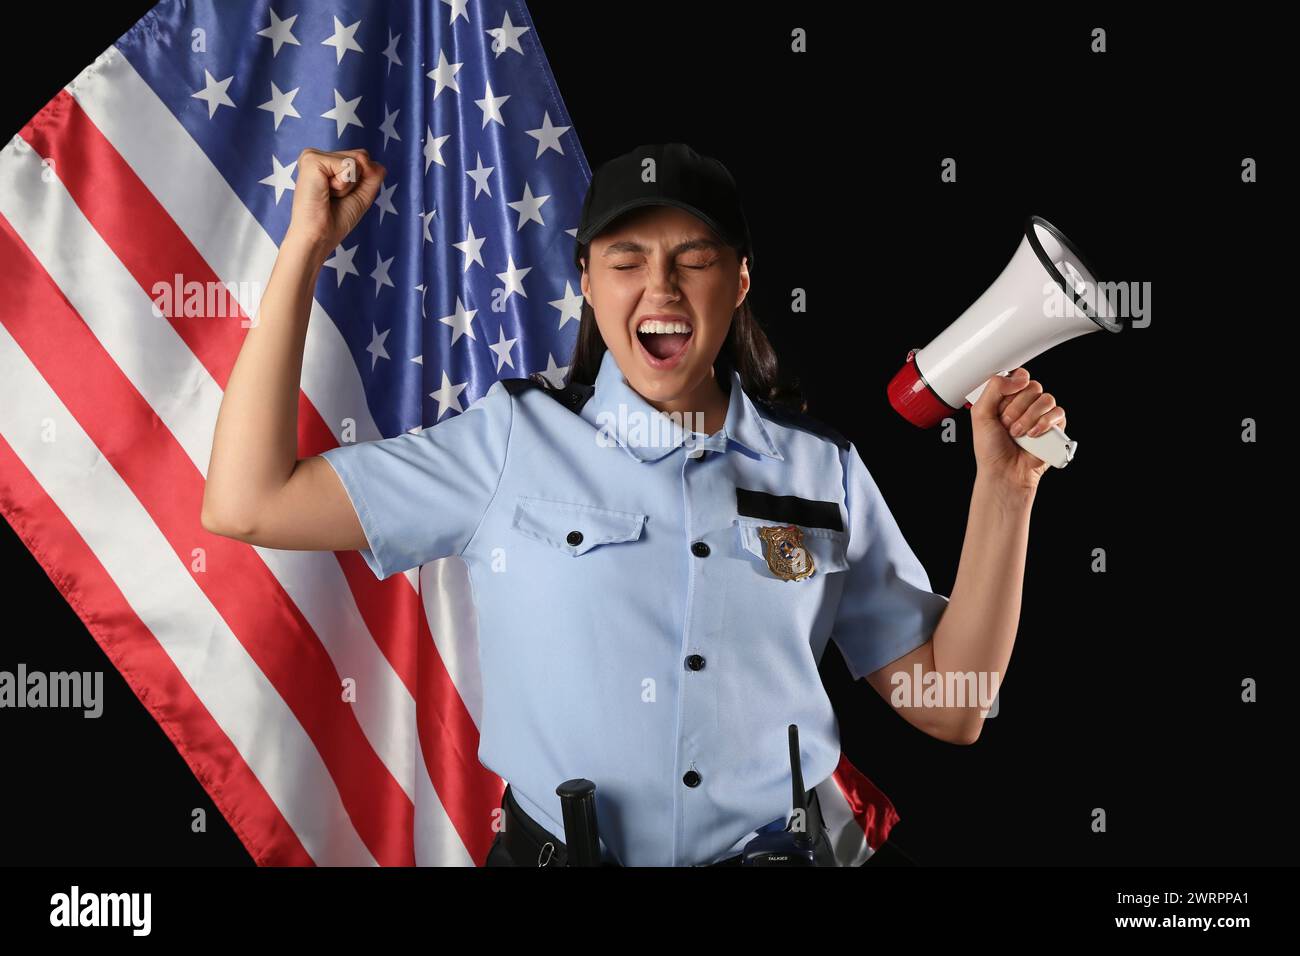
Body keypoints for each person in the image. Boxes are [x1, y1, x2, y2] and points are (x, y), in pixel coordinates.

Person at [202, 142, 1067, 867]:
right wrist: (304, 246)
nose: (662, 286)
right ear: (586, 280)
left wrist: (1005, 489)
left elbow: (952, 706)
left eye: (695, 260)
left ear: (738, 283)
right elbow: (249, 501)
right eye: (627, 260)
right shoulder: (508, 442)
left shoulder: (821, 469)